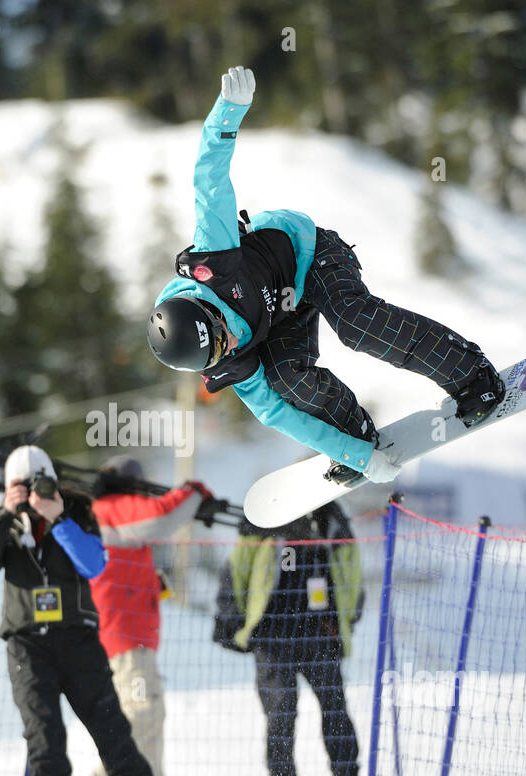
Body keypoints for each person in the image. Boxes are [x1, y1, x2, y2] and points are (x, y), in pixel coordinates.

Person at [147, 66, 507, 486]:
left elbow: (208, 179)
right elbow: (277, 415)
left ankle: (470, 374)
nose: (228, 346)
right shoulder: (232, 363)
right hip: (282, 313)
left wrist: (229, 111)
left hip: (309, 255)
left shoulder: (215, 259)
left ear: (207, 308)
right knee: (286, 380)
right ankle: (355, 433)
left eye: (220, 334)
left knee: (356, 325)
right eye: (216, 354)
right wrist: (355, 454)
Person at [0, 445, 216, 776]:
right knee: (45, 745)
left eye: (39, 483)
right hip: (28, 646)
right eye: (21, 486)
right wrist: (4, 515)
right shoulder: (4, 528)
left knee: (117, 740)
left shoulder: (78, 514)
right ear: (9, 489)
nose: (32, 491)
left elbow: (93, 563)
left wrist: (57, 517)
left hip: (78, 641)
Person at [77, 455, 210, 776]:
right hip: (125, 637)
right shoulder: (115, 507)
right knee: (142, 713)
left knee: (147, 714)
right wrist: (192, 494)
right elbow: (162, 516)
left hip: (126, 634)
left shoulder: (108, 516)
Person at [212, 502, 365, 776]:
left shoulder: (332, 522)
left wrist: (349, 613)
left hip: (320, 632)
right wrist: (230, 617)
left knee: (334, 706)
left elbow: (352, 571)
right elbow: (237, 570)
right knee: (280, 710)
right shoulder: (264, 518)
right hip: (272, 635)